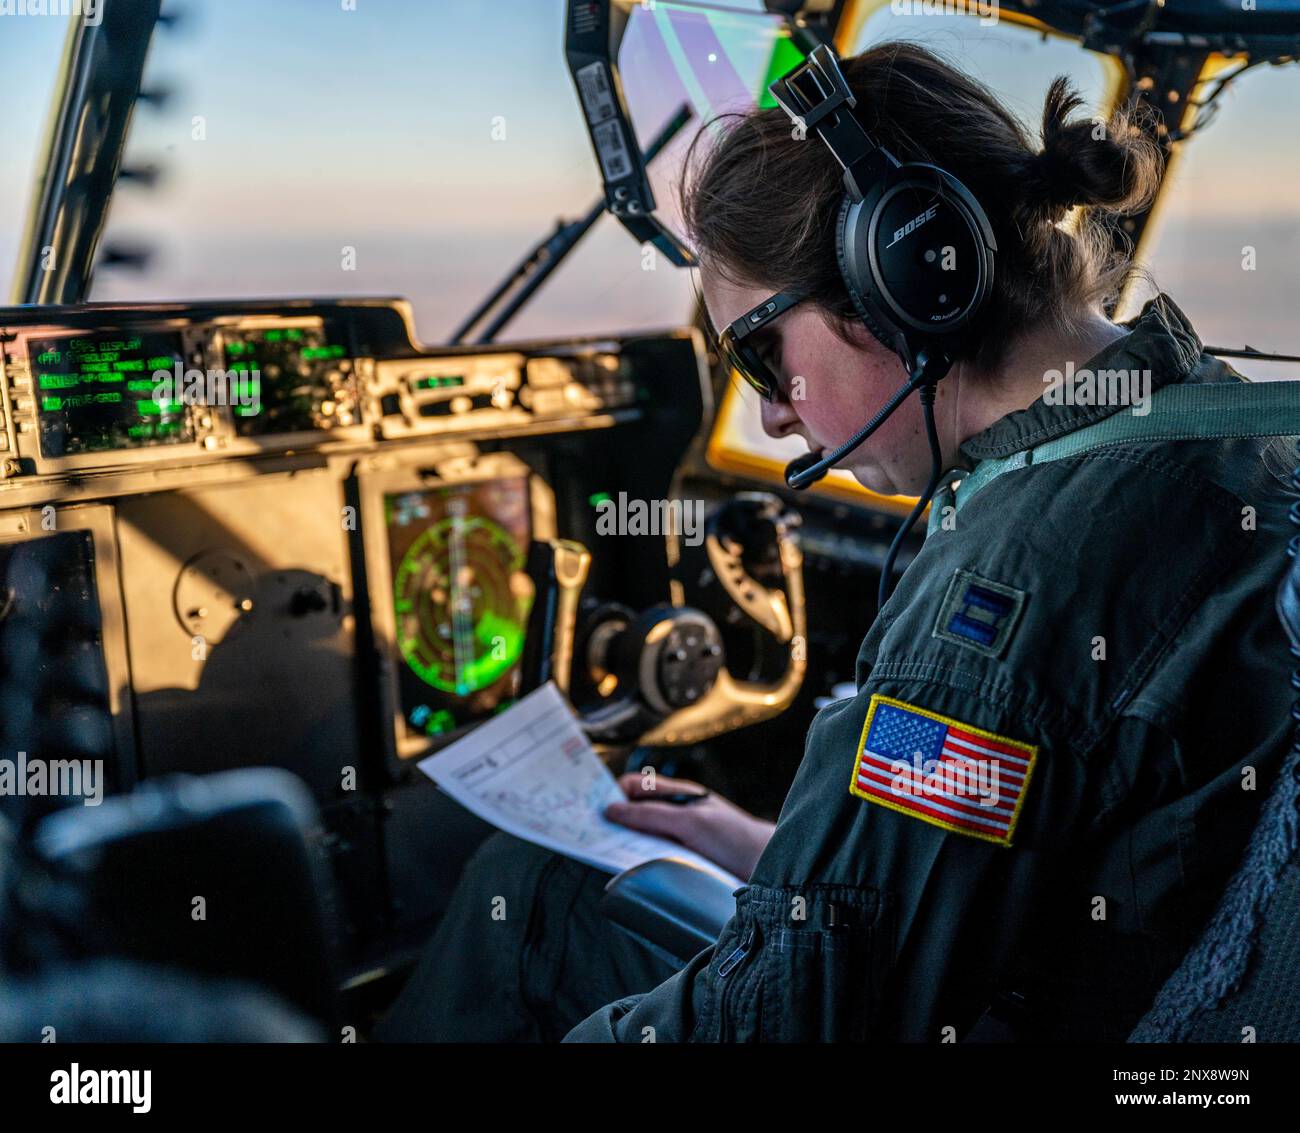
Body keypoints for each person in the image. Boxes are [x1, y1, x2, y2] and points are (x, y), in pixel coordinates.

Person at [564, 41, 1298, 1041]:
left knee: (538, 897)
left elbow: (784, 1024)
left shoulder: (1001, 606)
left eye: (759, 355)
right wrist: (778, 848)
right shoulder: (1231, 432)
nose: (774, 416)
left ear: (897, 286)